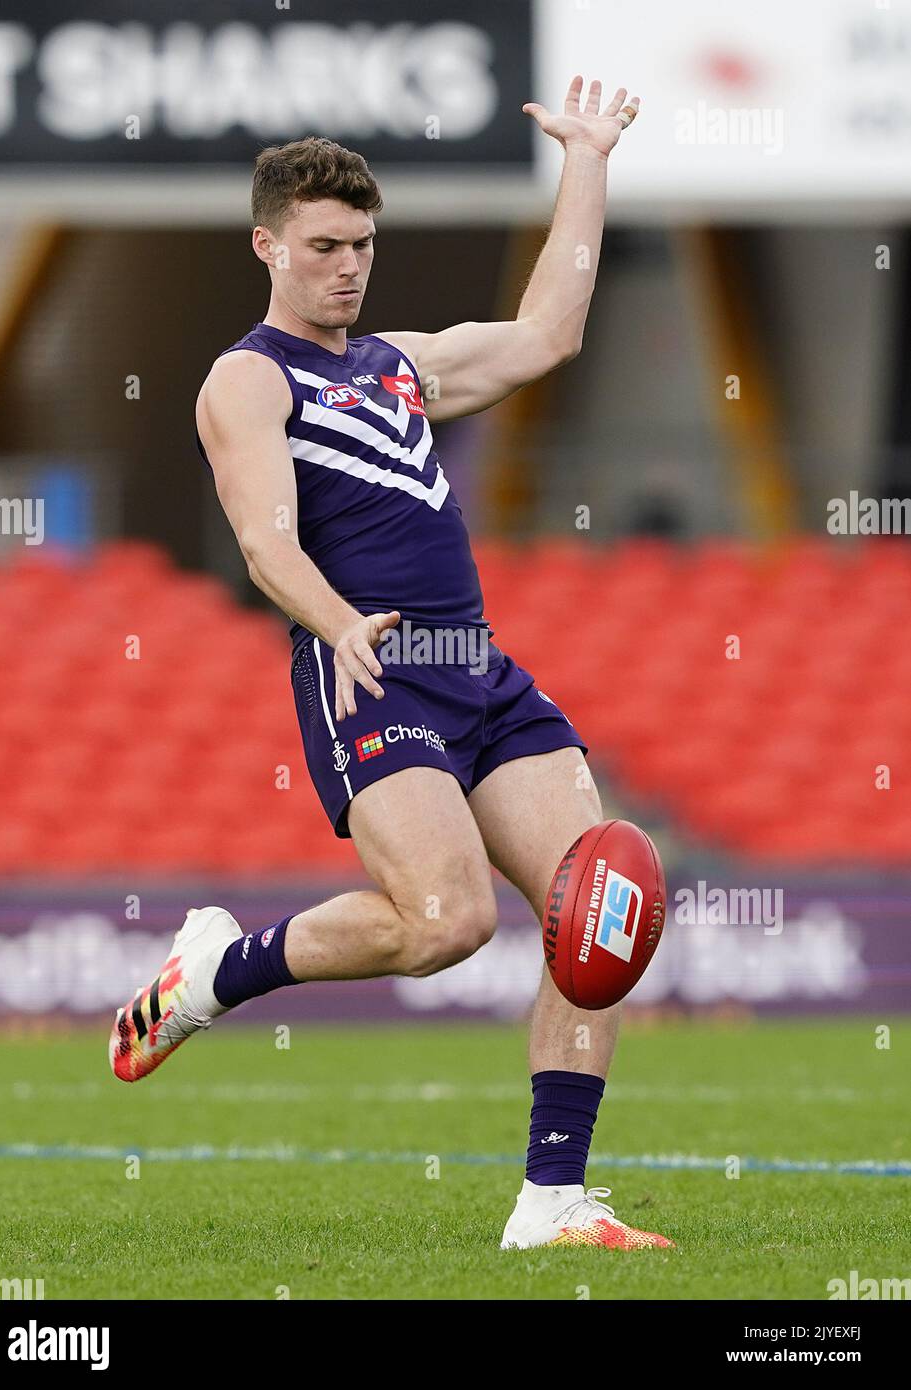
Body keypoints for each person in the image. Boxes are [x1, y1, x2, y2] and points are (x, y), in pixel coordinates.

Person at [109, 76, 672, 1251]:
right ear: (266, 244)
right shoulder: (247, 379)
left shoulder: (398, 365)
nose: (346, 266)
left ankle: (552, 1202)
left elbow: (547, 333)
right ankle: (219, 971)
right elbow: (264, 542)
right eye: (322, 246)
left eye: (362, 244)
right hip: (367, 667)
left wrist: (587, 157)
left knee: (595, 904)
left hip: (476, 666)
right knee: (445, 922)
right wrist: (337, 621)